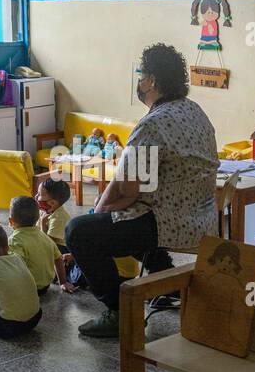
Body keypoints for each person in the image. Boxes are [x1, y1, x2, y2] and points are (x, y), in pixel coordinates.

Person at [65, 42, 218, 339]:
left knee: (78, 231)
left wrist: (100, 208)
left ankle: (120, 311)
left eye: (141, 74)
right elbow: (139, 185)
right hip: (203, 218)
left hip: (166, 223)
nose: (138, 81)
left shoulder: (152, 125)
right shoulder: (195, 112)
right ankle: (164, 282)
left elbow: (129, 189)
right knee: (119, 216)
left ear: (152, 81)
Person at [7, 195, 62, 295]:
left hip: (28, 290)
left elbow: (15, 267)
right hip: (46, 286)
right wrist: (63, 282)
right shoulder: (44, 236)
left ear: (11, 221)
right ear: (37, 219)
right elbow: (58, 258)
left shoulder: (14, 241)